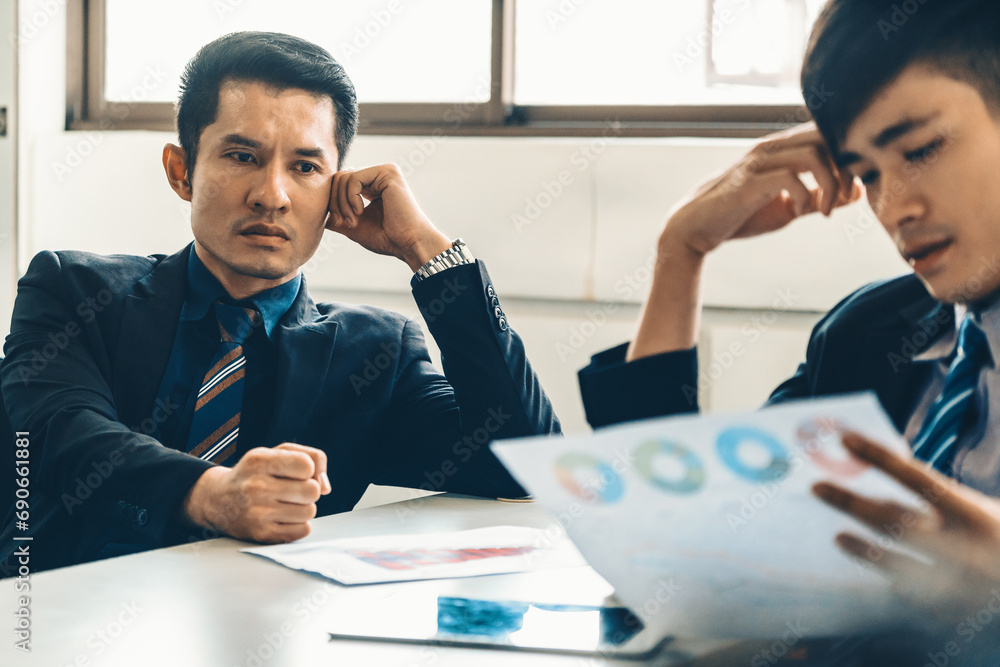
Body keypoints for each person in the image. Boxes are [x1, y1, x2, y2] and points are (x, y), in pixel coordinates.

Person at [0, 31, 559, 573]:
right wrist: (212, 494)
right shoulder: (73, 290)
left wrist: (428, 251)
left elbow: (526, 468)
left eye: (306, 167)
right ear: (182, 171)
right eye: (242, 156)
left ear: (337, 188)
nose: (272, 195)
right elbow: (57, 437)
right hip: (48, 629)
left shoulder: (374, 356)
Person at [577, 0, 1000, 645]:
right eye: (865, 176)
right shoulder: (868, 333)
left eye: (920, 149)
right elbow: (671, 540)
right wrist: (679, 254)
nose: (894, 208)